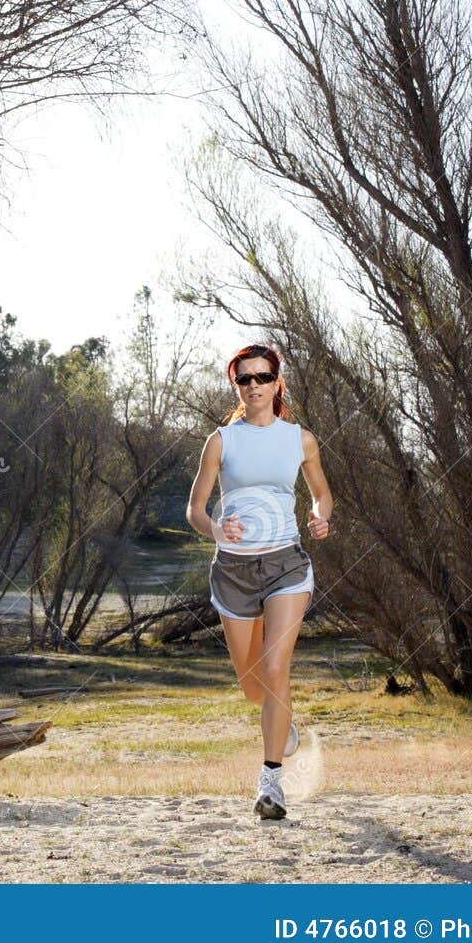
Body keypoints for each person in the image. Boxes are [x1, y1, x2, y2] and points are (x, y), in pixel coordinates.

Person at [185, 344, 332, 819]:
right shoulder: (221, 442)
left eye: (262, 377)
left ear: (277, 383)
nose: (253, 386)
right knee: (253, 687)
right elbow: (195, 509)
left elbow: (322, 494)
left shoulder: (300, 439)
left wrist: (318, 517)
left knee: (275, 672)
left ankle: (271, 783)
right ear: (236, 387)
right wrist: (214, 528)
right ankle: (279, 723)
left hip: (286, 564)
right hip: (233, 571)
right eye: (244, 379)